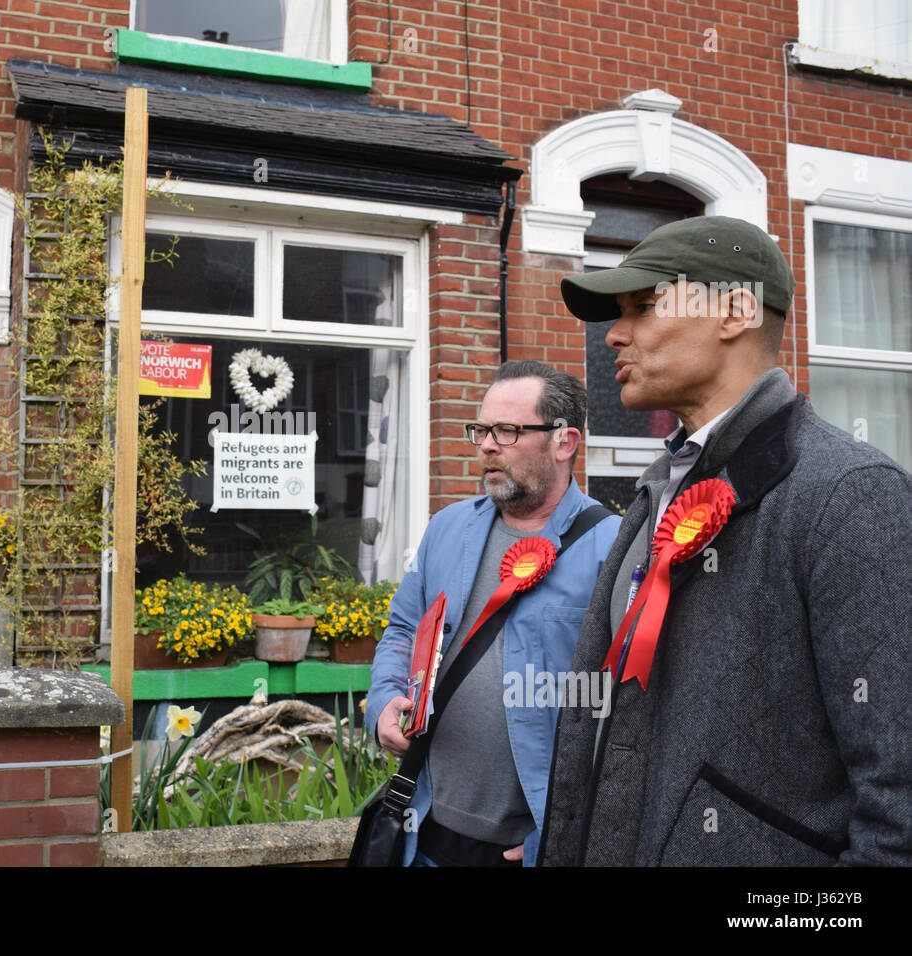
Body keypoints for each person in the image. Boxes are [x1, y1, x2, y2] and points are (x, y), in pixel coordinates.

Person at [540, 215, 912, 865]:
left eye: (645, 306)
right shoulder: (658, 492)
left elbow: (898, 799)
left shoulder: (851, 494)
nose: (614, 335)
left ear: (736, 311)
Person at [365, 360, 621, 866]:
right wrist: (386, 700)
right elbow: (402, 630)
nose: (485, 445)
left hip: (526, 850)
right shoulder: (447, 528)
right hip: (425, 830)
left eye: (507, 431)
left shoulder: (612, 547)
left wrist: (568, 833)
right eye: (482, 429)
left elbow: (631, 710)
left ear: (564, 443)